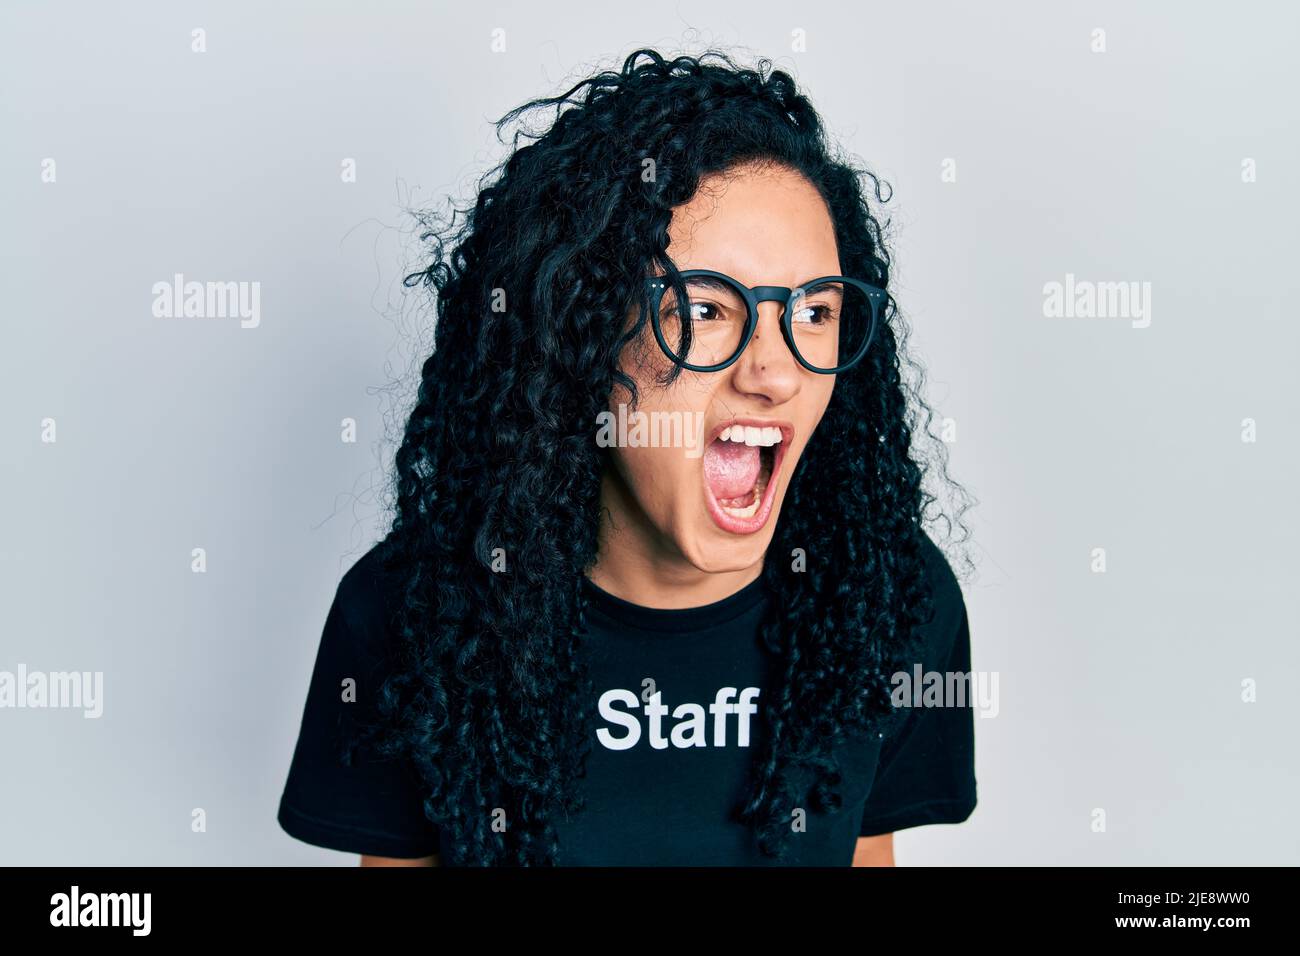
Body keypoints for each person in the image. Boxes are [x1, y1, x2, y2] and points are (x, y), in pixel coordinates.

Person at [278, 47, 977, 866]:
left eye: (815, 312)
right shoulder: (415, 614)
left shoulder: (887, 599)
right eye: (708, 309)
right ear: (583, 334)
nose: (776, 370)